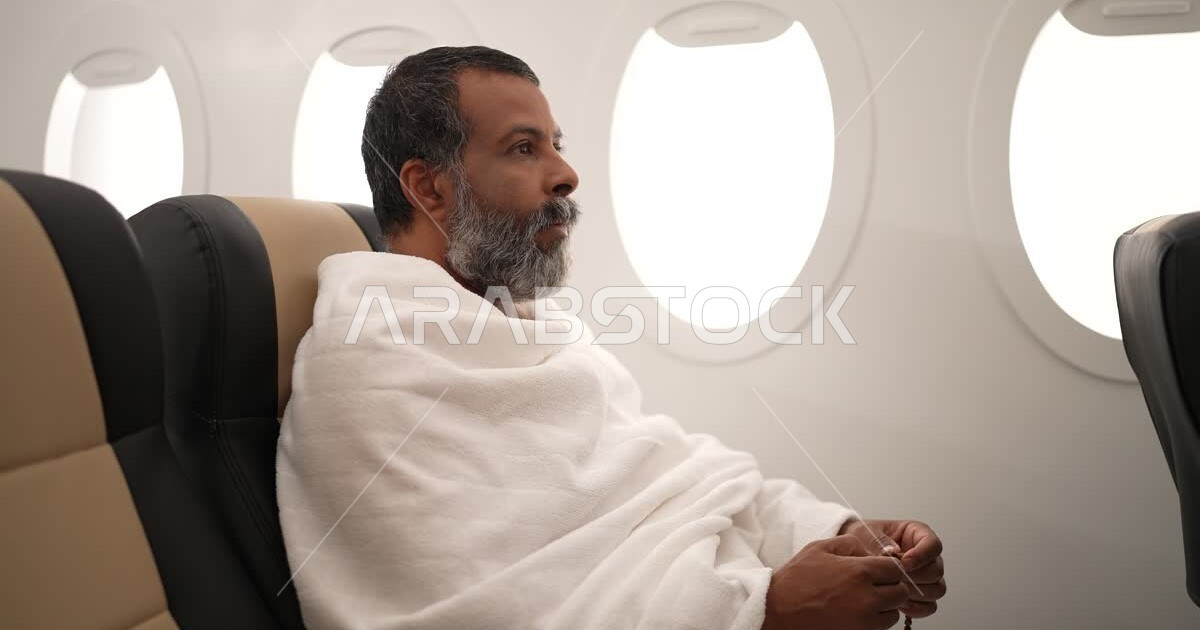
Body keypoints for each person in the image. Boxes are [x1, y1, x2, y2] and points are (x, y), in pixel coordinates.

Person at [277, 45, 946, 630]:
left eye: (555, 143)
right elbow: (473, 612)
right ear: (429, 187)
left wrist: (841, 534)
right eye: (523, 147)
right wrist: (765, 610)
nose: (566, 175)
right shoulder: (365, 368)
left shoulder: (532, 327)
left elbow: (680, 480)